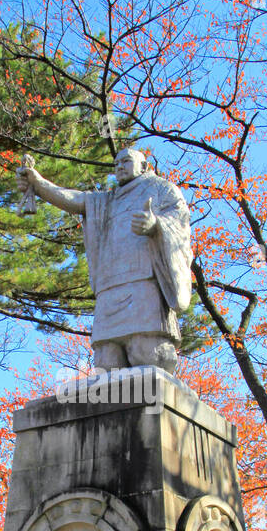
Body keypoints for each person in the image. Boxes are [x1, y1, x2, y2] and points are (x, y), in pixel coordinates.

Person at [17, 148, 192, 372]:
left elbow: (180, 224)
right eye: (116, 163)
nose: (119, 166)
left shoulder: (162, 189)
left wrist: (156, 225)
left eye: (126, 161)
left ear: (144, 166)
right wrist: (38, 183)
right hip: (109, 286)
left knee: (148, 354)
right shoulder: (106, 200)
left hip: (144, 283)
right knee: (107, 361)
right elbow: (74, 199)